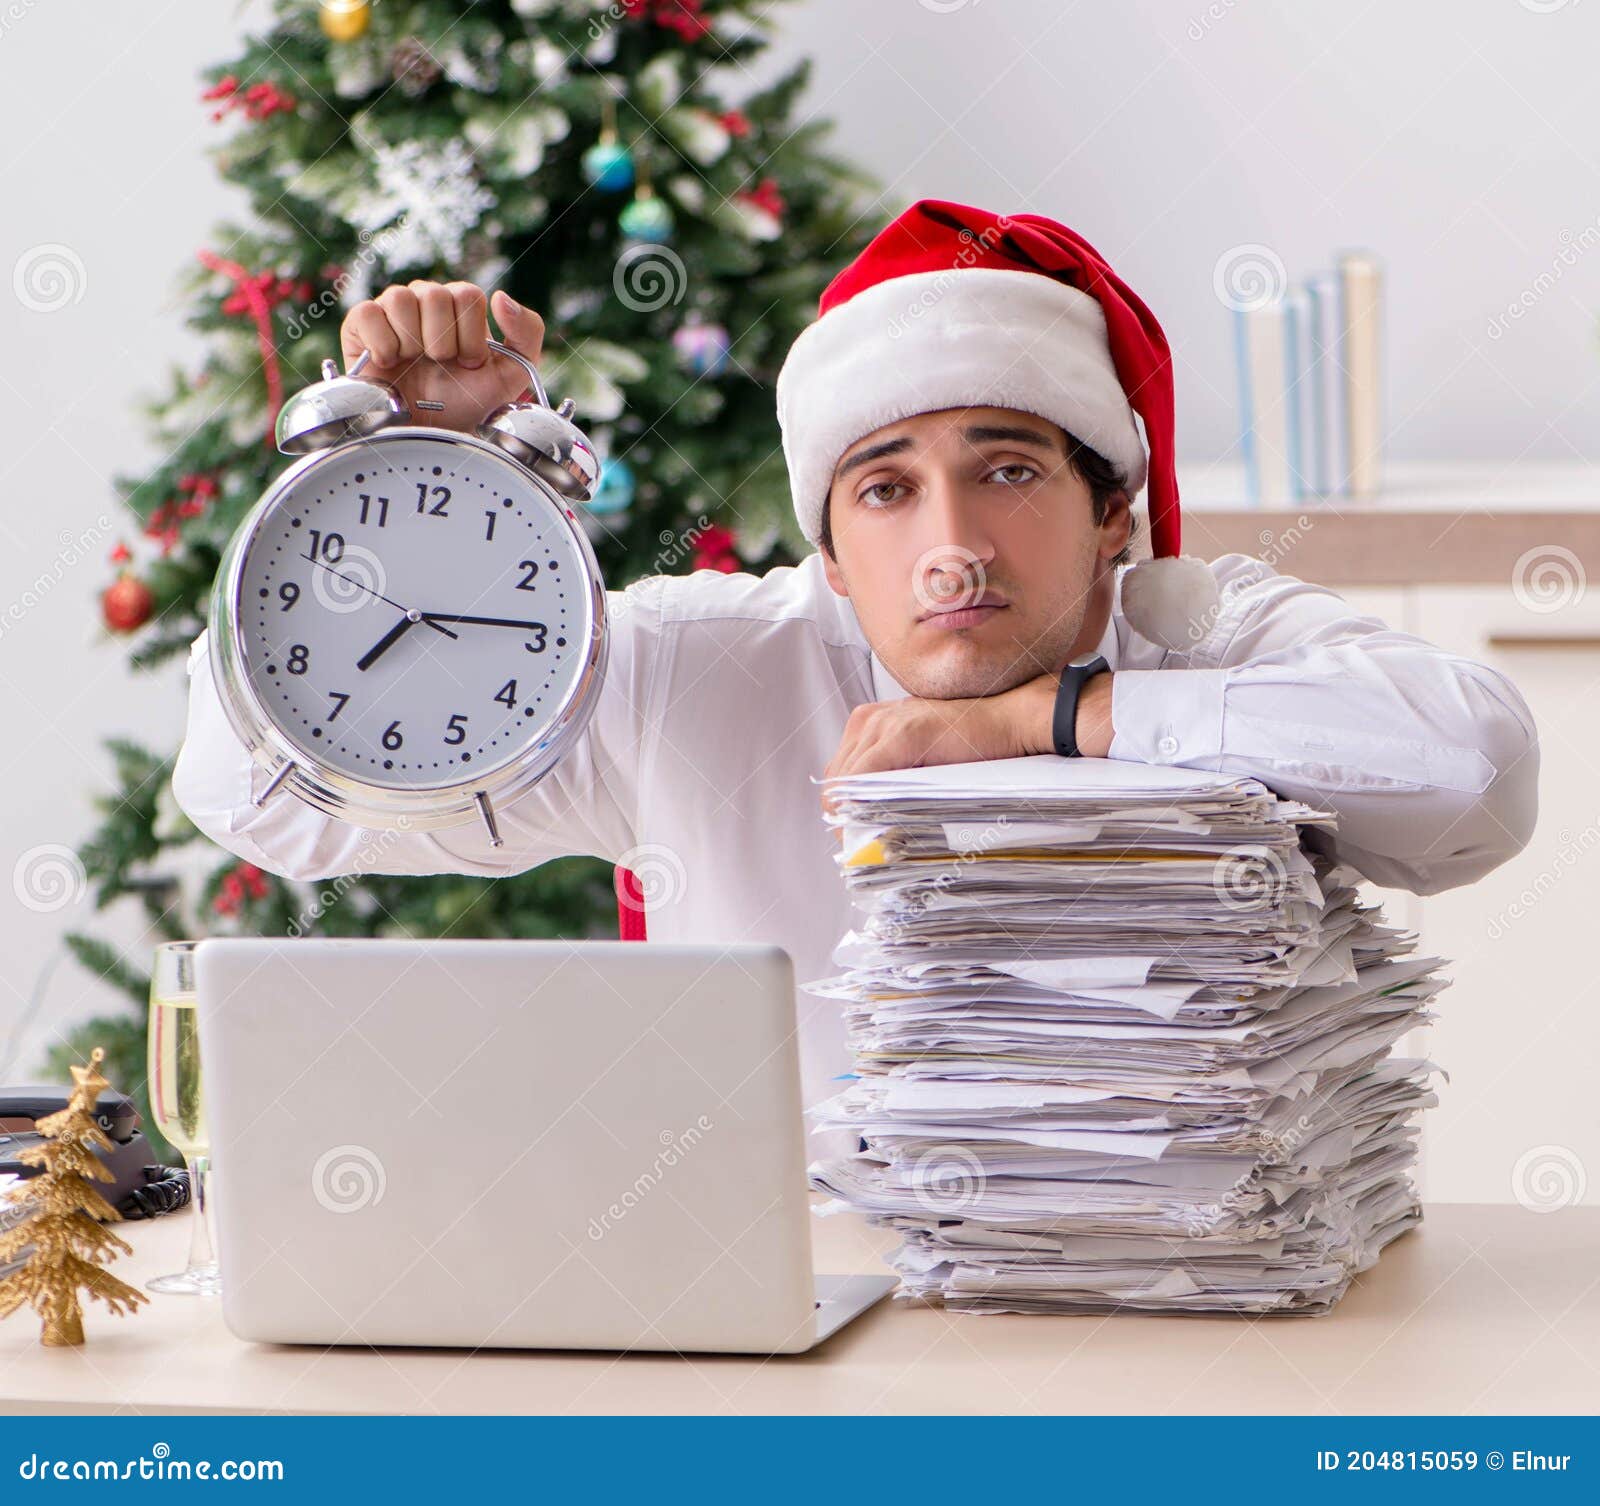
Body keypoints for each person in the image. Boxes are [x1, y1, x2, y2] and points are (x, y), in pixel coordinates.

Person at [172, 199, 1539, 1113]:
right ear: (826, 547)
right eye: (885, 489)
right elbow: (263, 805)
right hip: (798, 1333)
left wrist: (1045, 721)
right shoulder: (693, 670)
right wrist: (397, 484)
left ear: (1113, 508)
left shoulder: (1202, 629)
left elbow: (1475, 774)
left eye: (1006, 468)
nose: (954, 547)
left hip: (1177, 1317)